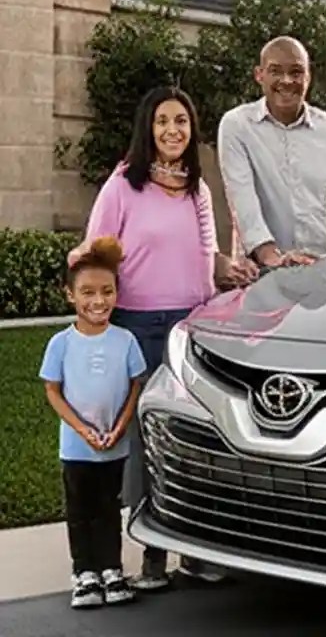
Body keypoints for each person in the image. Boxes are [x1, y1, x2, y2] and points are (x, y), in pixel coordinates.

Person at [69, 85, 258, 591]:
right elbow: (95, 253)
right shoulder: (121, 187)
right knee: (144, 441)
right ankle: (151, 551)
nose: (172, 131)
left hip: (191, 329)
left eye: (181, 121)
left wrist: (229, 269)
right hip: (136, 327)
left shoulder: (197, 189)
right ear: (147, 129)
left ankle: (195, 549)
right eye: (162, 122)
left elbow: (206, 255)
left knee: (195, 439)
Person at [41, 236, 147, 609]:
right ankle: (84, 573)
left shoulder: (125, 340)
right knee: (79, 510)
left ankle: (110, 569)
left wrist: (120, 426)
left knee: (108, 508)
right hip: (76, 447)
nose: (98, 301)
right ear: (71, 296)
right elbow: (53, 391)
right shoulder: (61, 344)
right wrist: (81, 429)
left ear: (117, 293)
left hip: (113, 445)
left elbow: (136, 385)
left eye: (106, 291)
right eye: (87, 292)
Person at [217, 35, 326, 270]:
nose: (287, 80)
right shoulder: (237, 126)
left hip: (324, 276)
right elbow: (242, 199)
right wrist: (271, 257)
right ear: (259, 75)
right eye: (275, 71)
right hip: (262, 276)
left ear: (308, 77)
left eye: (296, 72)